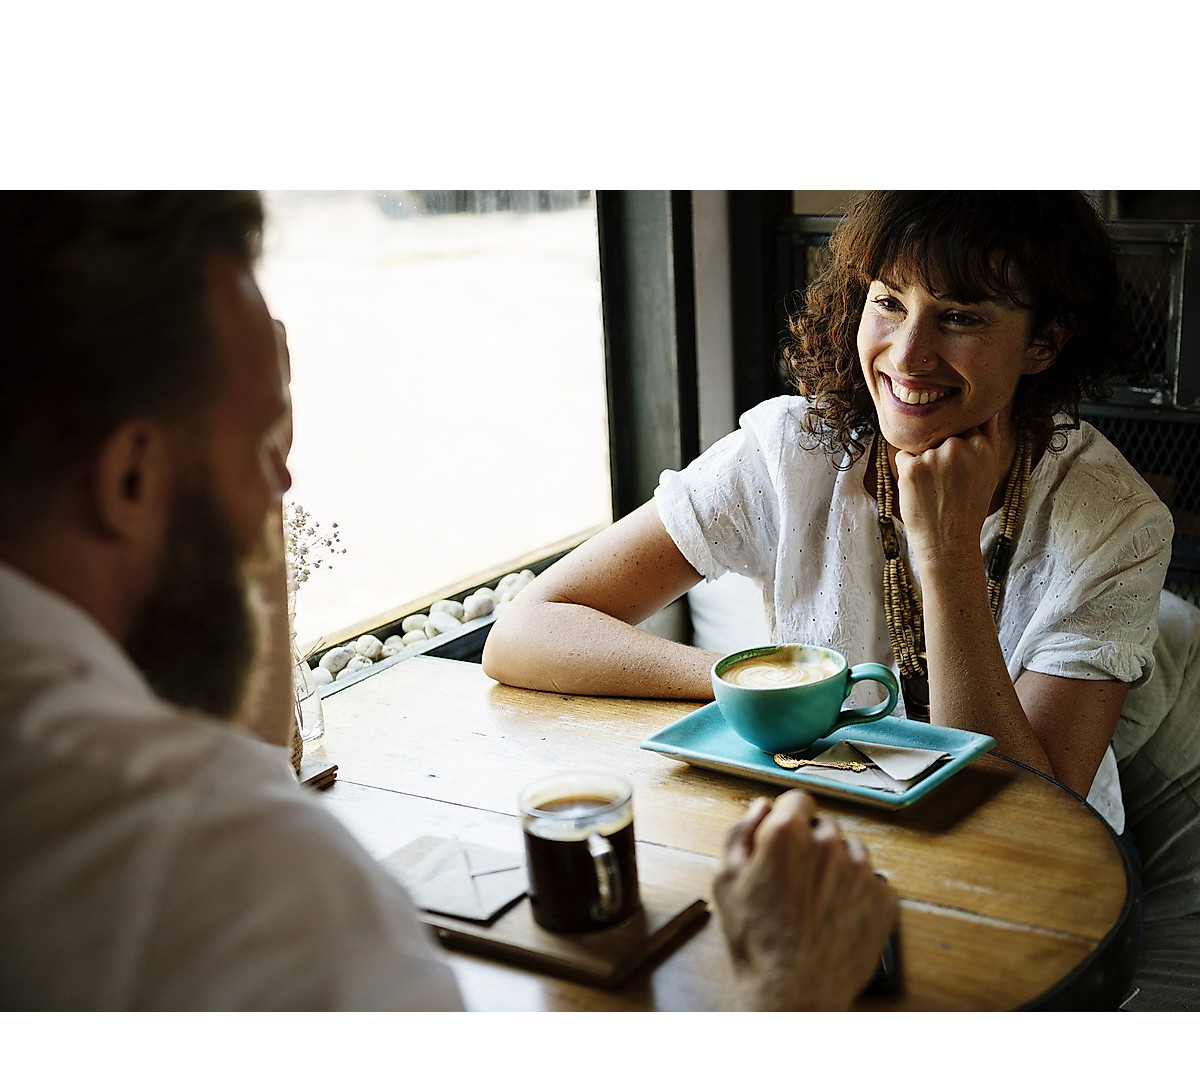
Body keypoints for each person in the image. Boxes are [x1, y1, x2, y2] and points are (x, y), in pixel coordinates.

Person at [0, 191, 896, 1011]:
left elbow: (234, 759)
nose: (284, 491)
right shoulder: (250, 875)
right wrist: (787, 991)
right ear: (129, 478)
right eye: (263, 450)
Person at [482, 191, 1175, 837]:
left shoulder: (1118, 522)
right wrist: (769, 688)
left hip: (1044, 877)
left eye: (961, 315)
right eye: (890, 302)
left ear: (1042, 344)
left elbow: (1029, 818)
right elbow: (524, 632)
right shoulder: (792, 451)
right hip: (828, 833)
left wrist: (947, 553)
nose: (907, 356)